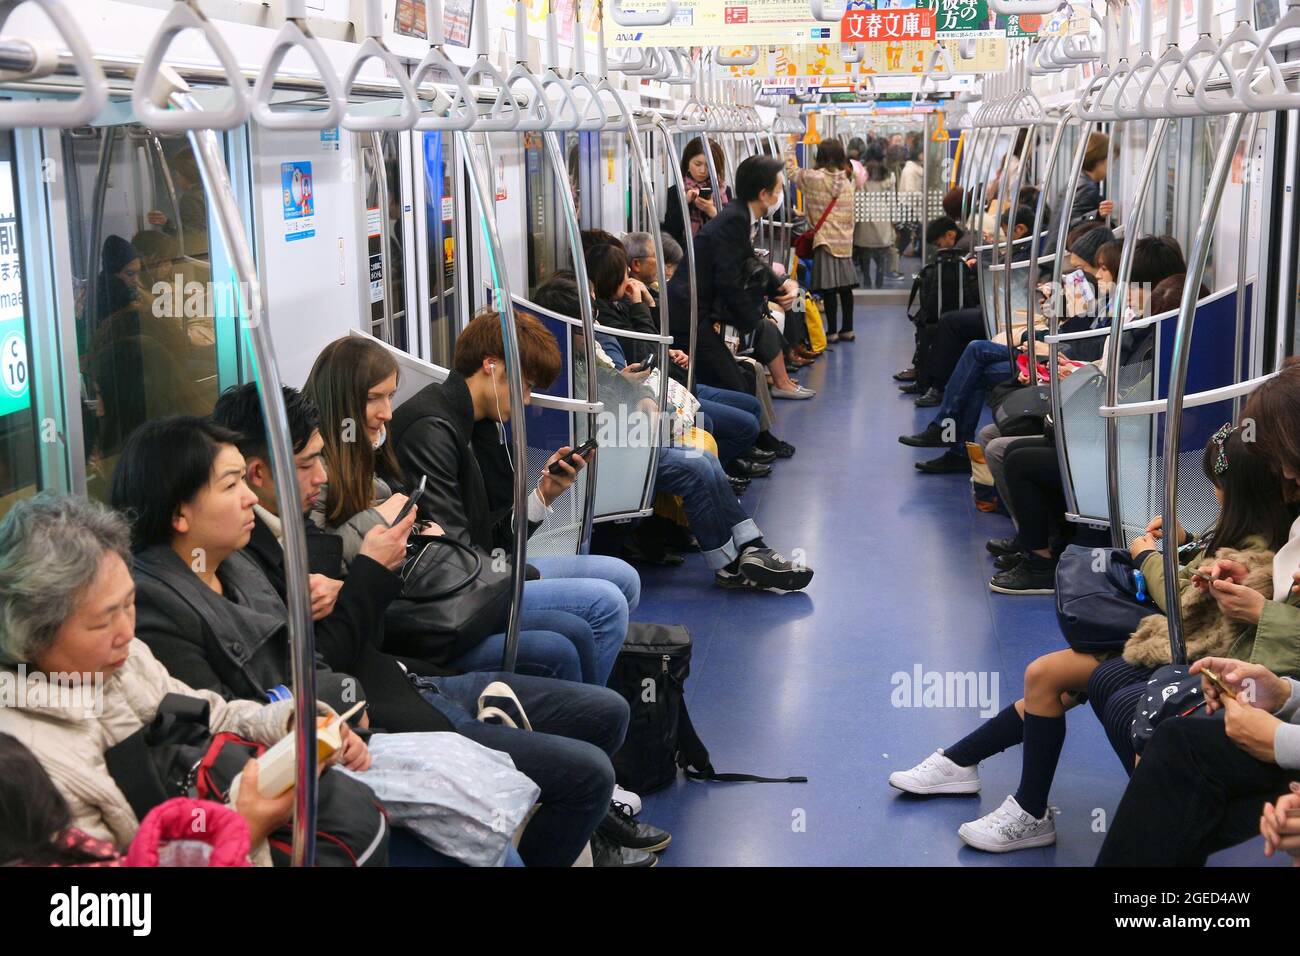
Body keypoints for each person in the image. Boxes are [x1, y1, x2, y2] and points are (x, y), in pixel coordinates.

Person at [110, 414, 662, 866]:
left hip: (382, 692)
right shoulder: (173, 602)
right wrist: (366, 579)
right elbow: (238, 722)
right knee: (575, 716)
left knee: (595, 687)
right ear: (181, 511)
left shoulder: (241, 563)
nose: (251, 498)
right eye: (232, 485)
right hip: (361, 726)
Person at [891, 425, 1292, 852]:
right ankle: (969, 768)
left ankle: (1012, 799)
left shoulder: (1258, 551)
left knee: (1048, 676)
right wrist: (1186, 543)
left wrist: (1147, 557)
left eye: (1218, 487)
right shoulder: (1238, 532)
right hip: (1182, 642)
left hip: (1194, 653)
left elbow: (1184, 602)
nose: (1213, 495)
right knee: (1046, 674)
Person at [0, 493, 345, 867]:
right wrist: (242, 827)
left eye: (129, 603)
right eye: (102, 621)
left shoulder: (126, 664)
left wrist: (295, 724)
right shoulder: (27, 764)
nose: (127, 632)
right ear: (32, 634)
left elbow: (210, 716)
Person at [365, 323, 639, 688]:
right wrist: (523, 574)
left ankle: (587, 703)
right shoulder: (431, 432)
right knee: (605, 604)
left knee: (624, 578)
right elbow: (461, 556)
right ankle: (587, 709)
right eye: (524, 386)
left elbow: (491, 536)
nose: (526, 400)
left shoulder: (478, 425)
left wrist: (544, 494)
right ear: (491, 366)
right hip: (450, 597)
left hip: (485, 568)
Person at [534, 274, 814, 592]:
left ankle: (750, 548)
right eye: (588, 318)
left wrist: (642, 396)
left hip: (618, 441)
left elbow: (615, 380)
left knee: (704, 459)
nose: (595, 323)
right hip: (600, 455)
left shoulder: (582, 350)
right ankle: (731, 563)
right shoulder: (556, 365)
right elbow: (593, 409)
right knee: (695, 467)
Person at [670, 154, 811, 400]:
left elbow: (749, 261)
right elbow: (728, 281)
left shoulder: (738, 215)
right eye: (778, 191)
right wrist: (754, 322)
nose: (779, 197)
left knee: (735, 382)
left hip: (696, 312)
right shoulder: (734, 219)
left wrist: (780, 288)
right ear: (764, 194)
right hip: (688, 314)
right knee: (734, 386)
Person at [785, 139, 859, 342]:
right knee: (845, 288)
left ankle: (832, 331)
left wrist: (790, 143)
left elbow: (791, 171)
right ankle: (848, 329)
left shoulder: (814, 178)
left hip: (824, 240)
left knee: (829, 288)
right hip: (844, 242)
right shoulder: (847, 180)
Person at [662, 138, 730, 248]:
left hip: (717, 254)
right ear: (687, 164)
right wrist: (685, 203)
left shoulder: (724, 191)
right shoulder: (676, 191)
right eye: (697, 164)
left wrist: (712, 212)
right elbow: (670, 232)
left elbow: (732, 231)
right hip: (685, 255)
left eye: (708, 166)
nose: (702, 171)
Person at [856, 159, 896, 290]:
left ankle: (866, 278)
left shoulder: (861, 176)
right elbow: (892, 201)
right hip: (883, 215)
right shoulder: (889, 178)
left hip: (865, 215)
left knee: (865, 252)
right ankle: (879, 280)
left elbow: (858, 198)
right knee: (882, 253)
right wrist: (894, 221)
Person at [1070, 131, 1114, 227]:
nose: (1112, 167)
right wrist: (1098, 214)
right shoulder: (1086, 188)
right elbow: (1073, 225)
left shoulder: (1080, 181)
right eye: (1110, 161)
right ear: (1099, 161)